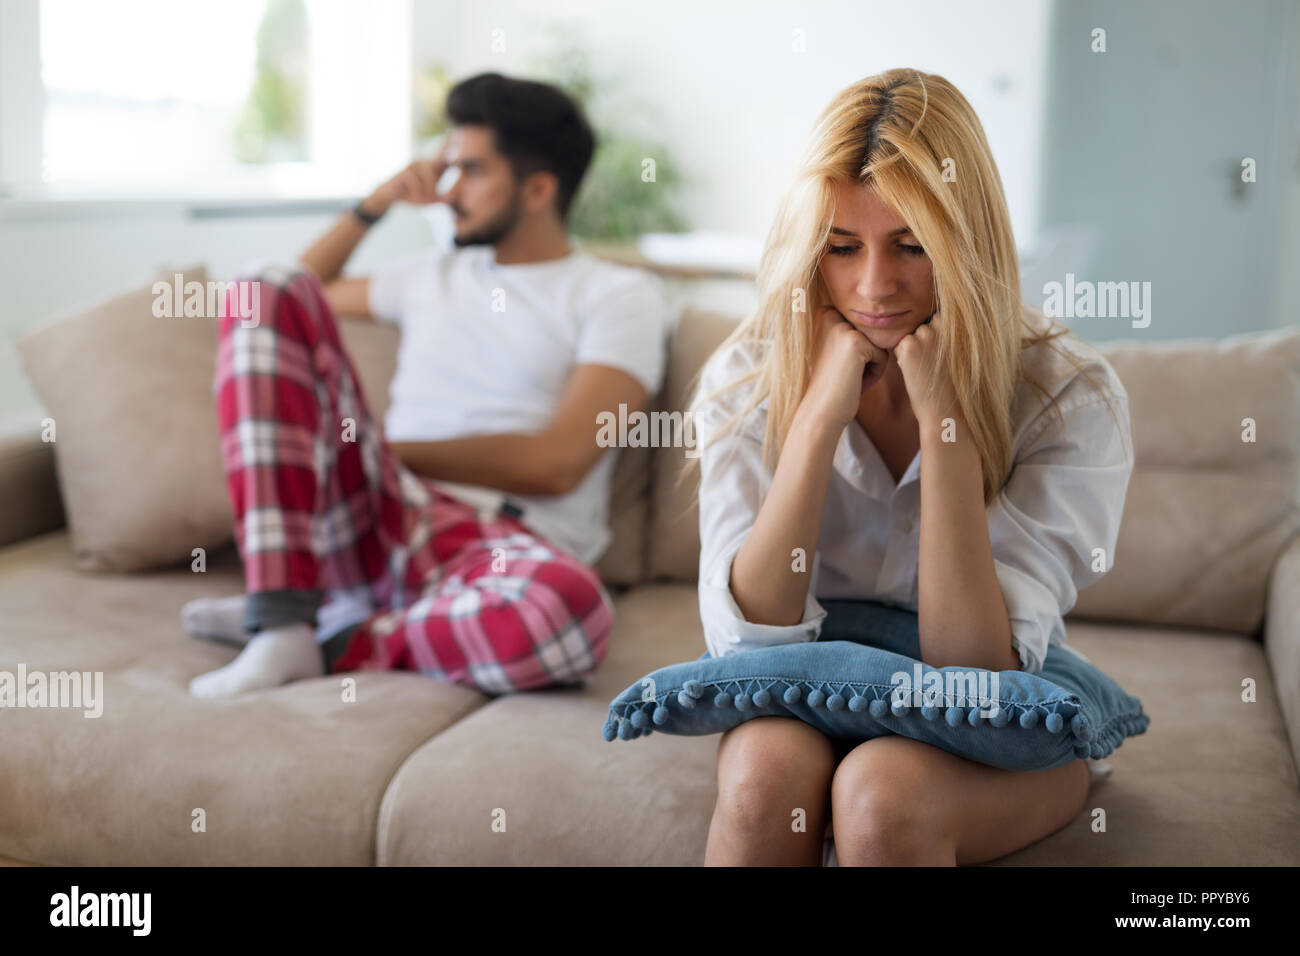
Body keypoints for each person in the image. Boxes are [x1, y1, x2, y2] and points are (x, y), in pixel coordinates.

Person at [686, 68, 1134, 866]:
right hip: (807, 691)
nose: (874, 287)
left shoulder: (1070, 395)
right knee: (760, 778)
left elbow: (975, 670)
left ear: (968, 243)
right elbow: (749, 649)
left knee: (880, 795)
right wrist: (818, 418)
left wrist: (947, 426)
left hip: (991, 716)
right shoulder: (746, 376)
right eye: (841, 247)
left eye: (912, 247)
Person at [182, 72, 671, 698]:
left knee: (567, 610)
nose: (446, 191)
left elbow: (559, 462)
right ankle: (283, 616)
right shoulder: (428, 274)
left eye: (469, 171)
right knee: (261, 284)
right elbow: (286, 300)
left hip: (501, 547)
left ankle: (333, 631)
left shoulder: (617, 295)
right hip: (378, 512)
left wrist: (388, 452)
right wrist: (374, 205)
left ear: (539, 188)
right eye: (445, 168)